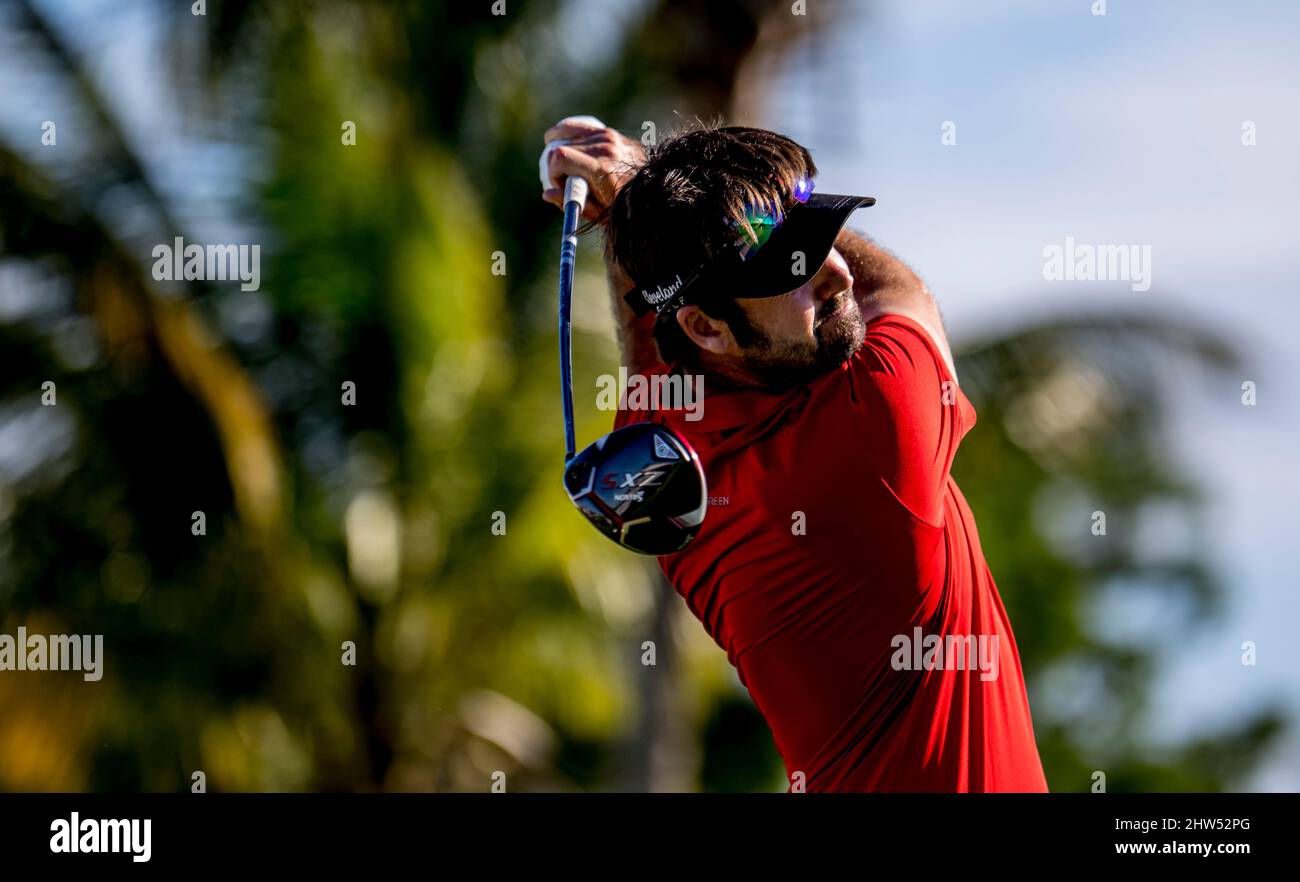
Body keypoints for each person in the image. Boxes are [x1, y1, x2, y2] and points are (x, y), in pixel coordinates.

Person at [542, 118, 1048, 792]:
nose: (834, 272)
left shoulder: (666, 464)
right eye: (790, 265)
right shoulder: (874, 428)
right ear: (706, 327)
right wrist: (634, 183)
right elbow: (902, 295)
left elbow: (654, 349)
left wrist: (636, 207)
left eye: (820, 235)